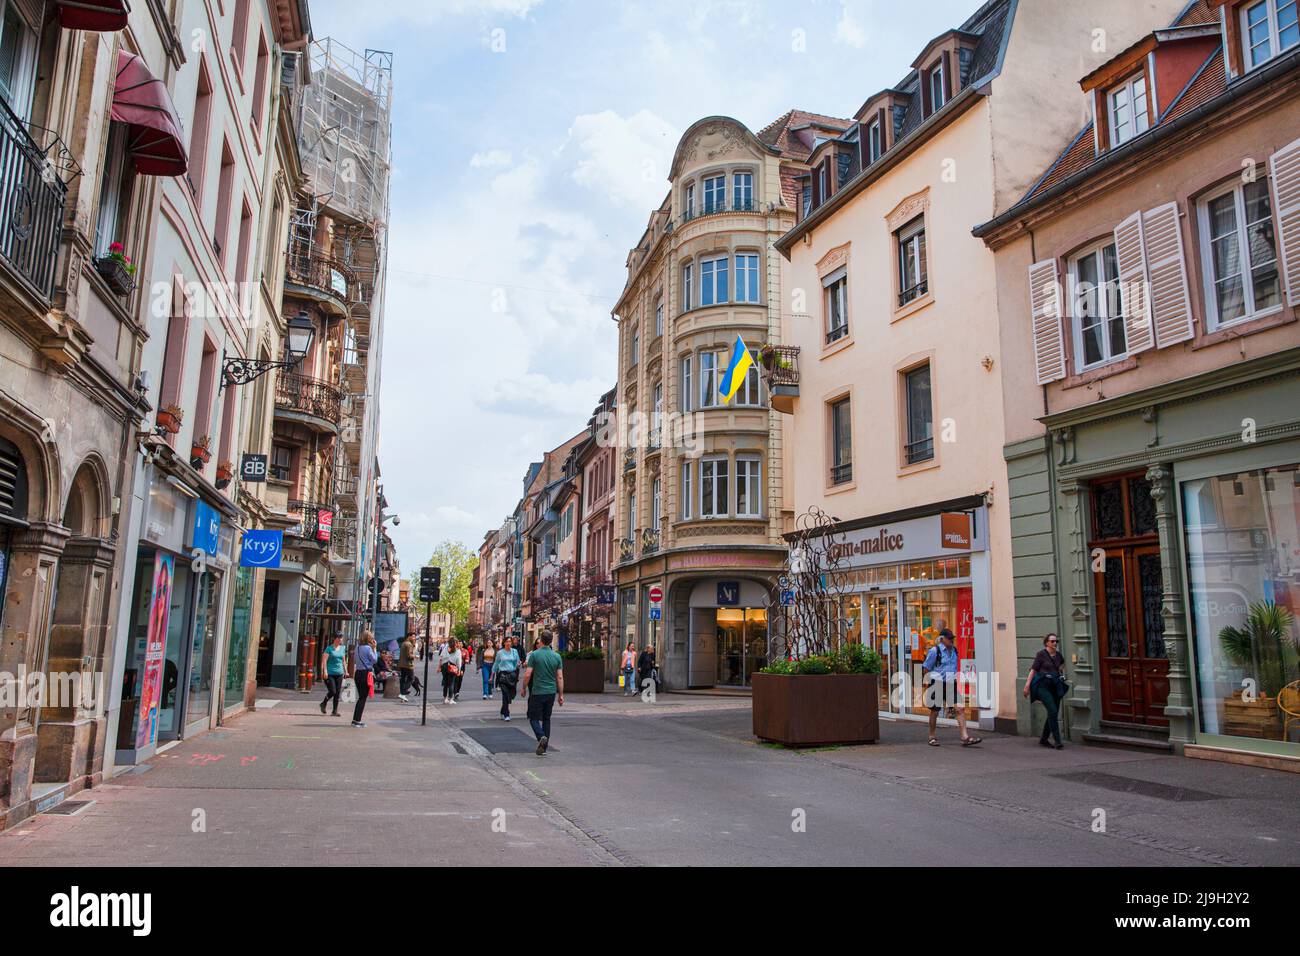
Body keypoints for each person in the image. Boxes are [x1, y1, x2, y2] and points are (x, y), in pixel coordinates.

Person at [922, 621, 981, 748]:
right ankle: (932, 736)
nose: (952, 641)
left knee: (960, 708)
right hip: (937, 683)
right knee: (935, 711)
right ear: (942, 639)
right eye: (949, 639)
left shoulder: (954, 650)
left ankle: (965, 737)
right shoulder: (934, 651)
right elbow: (926, 668)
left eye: (952, 639)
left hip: (950, 684)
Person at [519, 631, 564, 755]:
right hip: (551, 691)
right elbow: (559, 677)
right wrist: (560, 695)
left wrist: (523, 688)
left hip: (538, 691)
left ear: (542, 641)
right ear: (551, 641)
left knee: (534, 718)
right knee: (546, 718)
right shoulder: (557, 656)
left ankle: (541, 737)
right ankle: (544, 746)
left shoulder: (535, 655)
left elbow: (528, 674)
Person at [1024, 633, 1067, 749]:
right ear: (1046, 643)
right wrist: (1027, 685)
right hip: (1043, 686)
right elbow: (1033, 670)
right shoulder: (1041, 654)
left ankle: (1043, 739)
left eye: (1056, 641)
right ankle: (1058, 741)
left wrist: (1061, 676)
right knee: (1052, 711)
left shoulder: (1058, 656)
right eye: (1052, 641)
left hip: (1055, 686)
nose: (1055, 643)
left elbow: (1061, 667)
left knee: (1053, 713)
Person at [352, 631, 378, 727]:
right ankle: (357, 720)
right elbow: (374, 660)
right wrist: (375, 649)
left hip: (358, 673)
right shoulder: (368, 648)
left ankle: (356, 719)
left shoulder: (357, 647)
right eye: (371, 638)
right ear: (368, 638)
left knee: (361, 697)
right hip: (366, 674)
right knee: (362, 698)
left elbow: (355, 659)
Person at [319, 634, 347, 716]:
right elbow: (324, 661)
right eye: (340, 638)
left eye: (342, 637)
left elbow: (343, 661)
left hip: (340, 673)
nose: (341, 639)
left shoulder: (342, 648)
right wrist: (325, 671)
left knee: (337, 693)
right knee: (332, 691)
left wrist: (346, 671)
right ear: (336, 639)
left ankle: (334, 711)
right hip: (330, 673)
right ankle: (323, 703)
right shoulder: (329, 648)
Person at [494, 636, 520, 720]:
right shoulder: (500, 653)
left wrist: (518, 664)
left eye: (510, 641)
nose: (509, 643)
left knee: (511, 695)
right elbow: (496, 664)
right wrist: (492, 675)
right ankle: (506, 714)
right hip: (503, 676)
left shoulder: (514, 651)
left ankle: (503, 710)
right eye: (507, 641)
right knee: (505, 694)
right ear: (504, 643)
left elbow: (517, 662)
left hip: (512, 675)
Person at [439, 639, 461, 704]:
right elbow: (458, 661)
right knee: (451, 683)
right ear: (455, 643)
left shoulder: (446, 647)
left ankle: (445, 698)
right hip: (452, 666)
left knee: (445, 683)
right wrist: (459, 670)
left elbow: (441, 656)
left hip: (444, 665)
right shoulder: (458, 650)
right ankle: (451, 699)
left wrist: (439, 666)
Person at [398, 633, 417, 702]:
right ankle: (403, 692)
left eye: (415, 637)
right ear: (409, 637)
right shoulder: (409, 644)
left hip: (402, 664)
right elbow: (409, 655)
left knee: (403, 680)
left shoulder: (404, 643)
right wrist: (415, 656)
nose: (414, 638)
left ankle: (402, 696)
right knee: (411, 678)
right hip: (408, 665)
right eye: (413, 637)